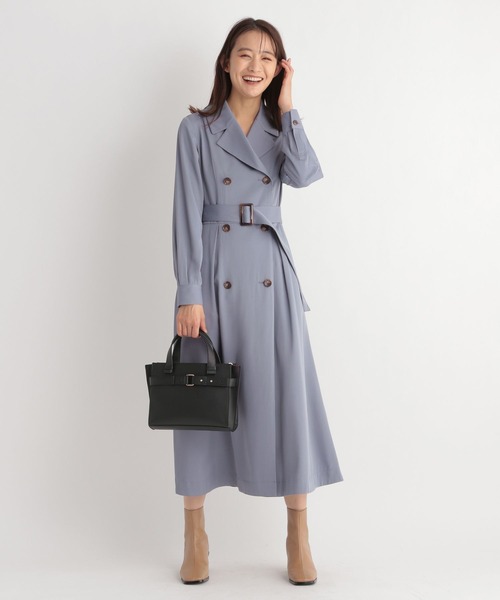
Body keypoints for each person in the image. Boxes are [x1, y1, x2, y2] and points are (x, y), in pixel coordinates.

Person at [171, 17, 343, 585]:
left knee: (286, 399)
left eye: (268, 58)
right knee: (200, 401)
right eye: (245, 54)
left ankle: (298, 533)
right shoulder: (196, 130)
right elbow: (185, 213)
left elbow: (306, 175)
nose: (255, 66)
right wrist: (189, 291)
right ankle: (195, 535)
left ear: (279, 69)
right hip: (214, 276)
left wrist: (289, 108)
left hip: (270, 276)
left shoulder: (279, 127)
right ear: (226, 62)